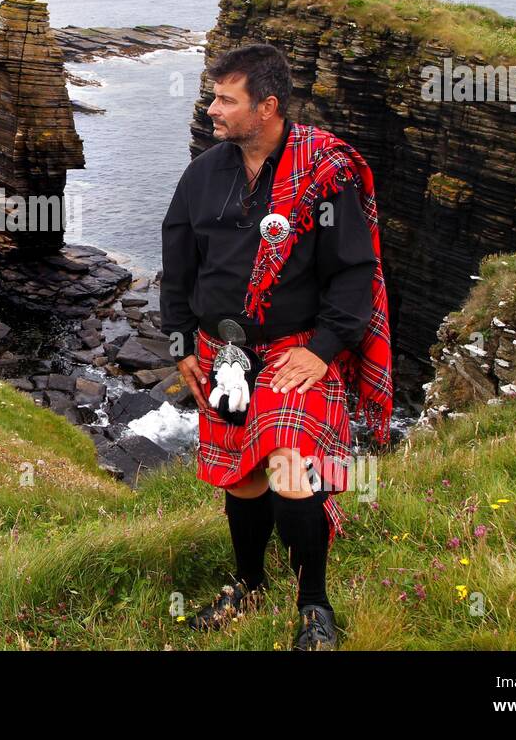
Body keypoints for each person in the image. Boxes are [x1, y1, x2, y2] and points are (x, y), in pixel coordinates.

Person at [159, 43, 393, 649]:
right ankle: (249, 583)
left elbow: (354, 270)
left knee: (293, 469)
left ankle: (314, 605)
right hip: (222, 355)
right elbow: (179, 261)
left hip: (295, 352)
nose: (212, 110)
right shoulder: (203, 173)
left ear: (265, 107)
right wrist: (182, 339)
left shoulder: (325, 173)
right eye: (213, 97)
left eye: (225, 100)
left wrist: (322, 348)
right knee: (242, 479)